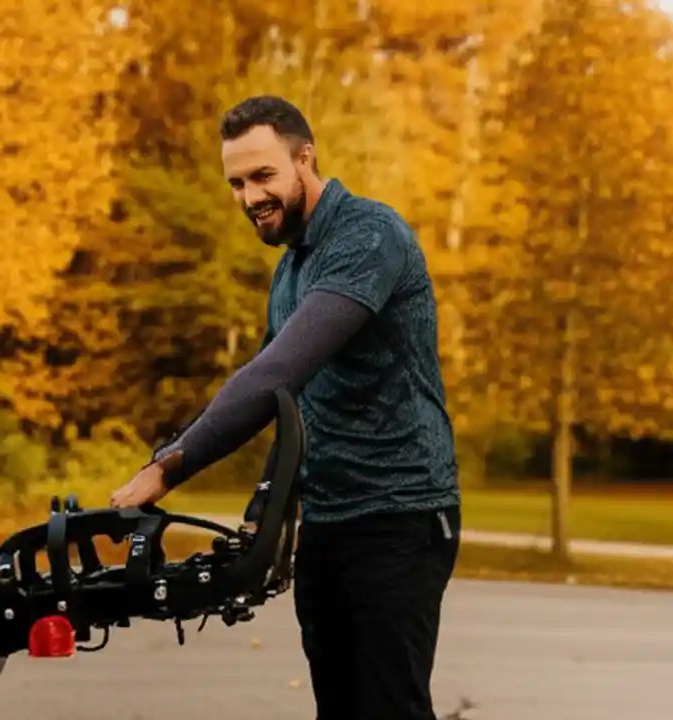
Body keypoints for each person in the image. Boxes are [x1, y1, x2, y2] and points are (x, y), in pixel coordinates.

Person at [109, 95, 463, 720]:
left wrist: (168, 466)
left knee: (390, 707)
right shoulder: (293, 269)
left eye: (263, 176)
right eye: (237, 183)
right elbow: (289, 401)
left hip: (399, 516)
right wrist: (267, 510)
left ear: (306, 158)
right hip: (330, 522)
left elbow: (277, 370)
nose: (249, 197)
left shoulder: (369, 238)